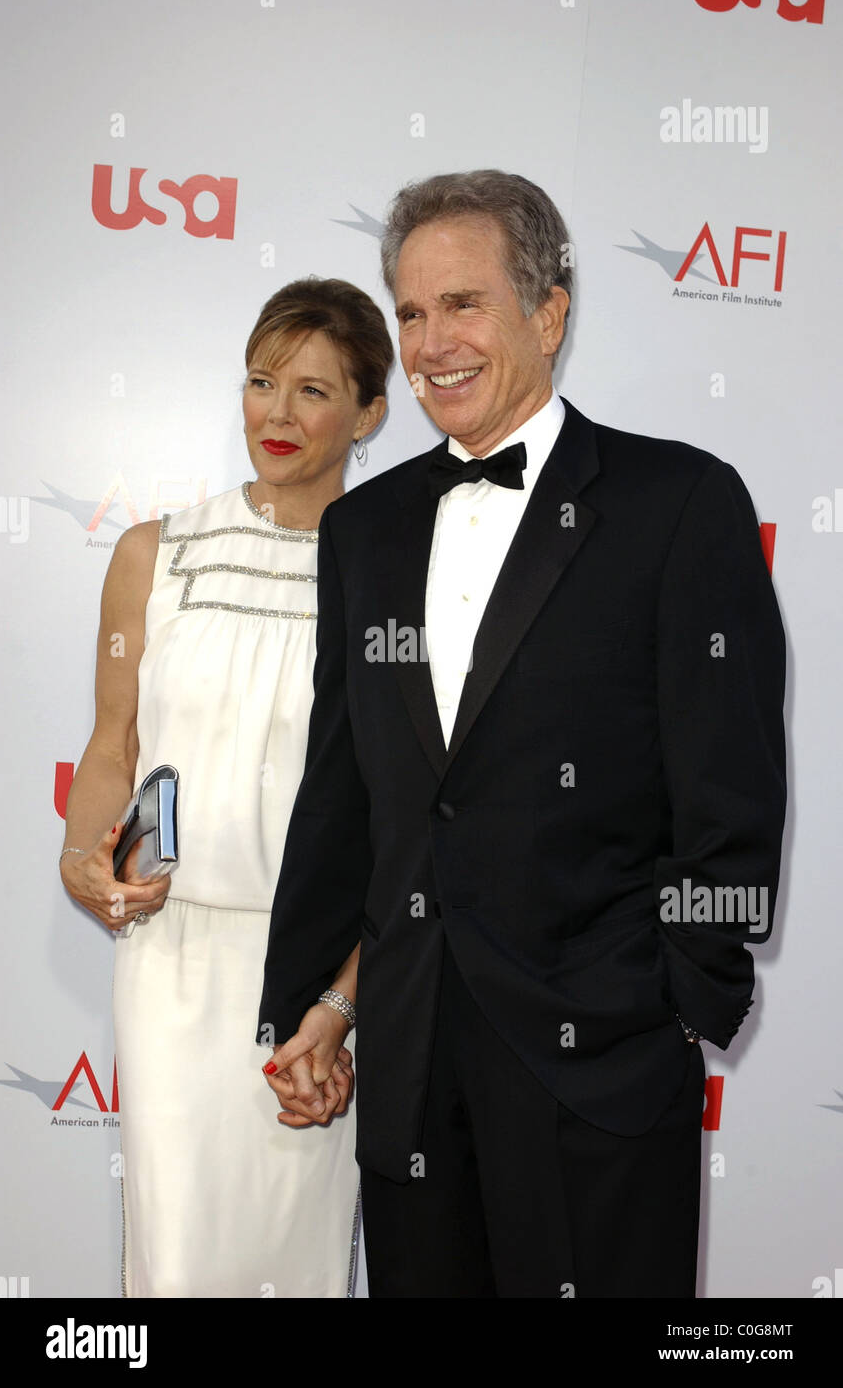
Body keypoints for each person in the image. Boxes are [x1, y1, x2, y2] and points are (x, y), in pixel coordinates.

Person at [259, 171, 786, 1298]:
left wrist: (674, 998)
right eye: (407, 311)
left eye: (463, 304)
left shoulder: (677, 502)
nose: (429, 342)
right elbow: (350, 789)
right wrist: (321, 997)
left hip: (597, 1062)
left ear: (548, 312)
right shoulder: (365, 528)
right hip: (409, 1071)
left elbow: (729, 786)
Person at [60, 277, 391, 1297]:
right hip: (171, 960)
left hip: (313, 970)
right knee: (177, 1260)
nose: (278, 415)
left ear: (371, 412)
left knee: (292, 1260)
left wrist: (343, 996)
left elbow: (403, 816)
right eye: (260, 382)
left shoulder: (397, 577)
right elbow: (113, 746)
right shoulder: (153, 553)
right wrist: (84, 859)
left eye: (313, 390)